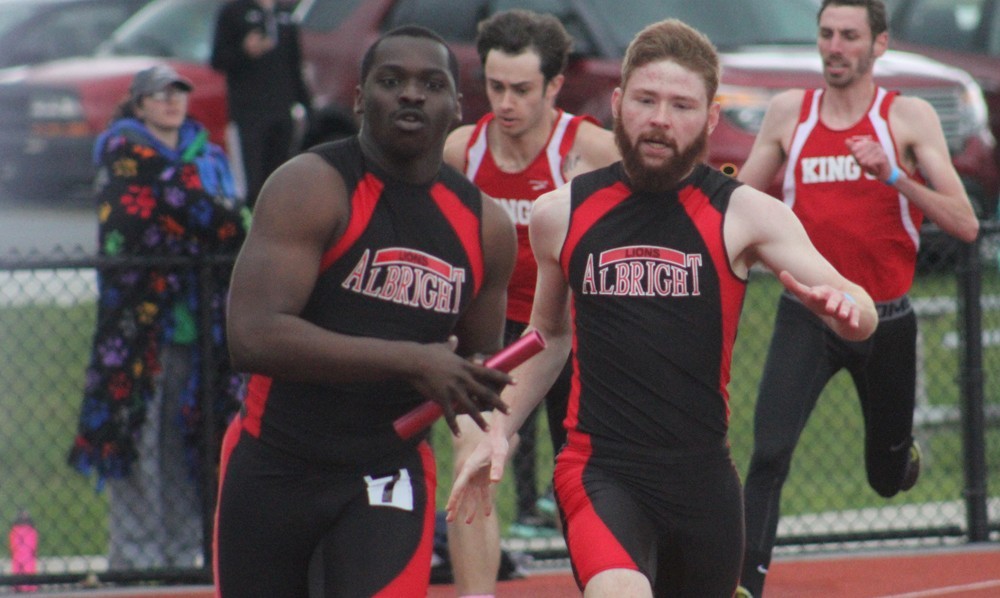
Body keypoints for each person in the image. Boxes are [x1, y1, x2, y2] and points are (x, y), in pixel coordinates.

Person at [446, 18, 880, 596]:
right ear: (618, 104)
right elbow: (549, 335)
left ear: (711, 118)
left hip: (703, 485)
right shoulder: (562, 212)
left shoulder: (745, 213)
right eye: (646, 100)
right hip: (600, 471)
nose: (660, 119)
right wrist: (499, 428)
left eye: (681, 105)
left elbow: (861, 309)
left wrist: (845, 313)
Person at [213, 25, 518, 596]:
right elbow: (251, 335)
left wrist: (480, 397)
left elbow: (480, 356)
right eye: (391, 80)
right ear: (358, 98)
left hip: (386, 470)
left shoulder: (487, 227)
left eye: (432, 84)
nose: (411, 94)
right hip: (276, 461)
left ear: (457, 106)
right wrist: (411, 360)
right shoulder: (310, 185)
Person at [734, 2, 981, 595]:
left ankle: (899, 455)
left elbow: (966, 224)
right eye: (826, 34)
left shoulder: (907, 117)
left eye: (850, 36)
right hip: (808, 315)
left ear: (879, 45)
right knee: (769, 454)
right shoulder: (790, 113)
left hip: (885, 321)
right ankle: (742, 585)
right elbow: (737, 201)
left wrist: (894, 175)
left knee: (885, 479)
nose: (835, 47)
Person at [441, 8, 619, 594]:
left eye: (521, 89)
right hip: (496, 336)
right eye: (495, 87)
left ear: (555, 85)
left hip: (573, 334)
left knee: (590, 482)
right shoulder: (461, 152)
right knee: (472, 456)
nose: (506, 103)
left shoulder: (592, 149)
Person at [68, 64, 248, 568]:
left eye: (178, 93)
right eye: (159, 94)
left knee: (186, 441)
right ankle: (136, 555)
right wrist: (203, 214)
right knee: (136, 442)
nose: (171, 101)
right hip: (139, 329)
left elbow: (237, 222)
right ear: (139, 103)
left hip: (200, 326)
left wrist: (199, 214)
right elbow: (138, 223)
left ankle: (183, 550)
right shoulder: (121, 153)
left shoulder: (209, 155)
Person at [210, 0, 311, 208]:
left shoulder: (284, 14)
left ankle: (277, 222)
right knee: (251, 182)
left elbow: (294, 65)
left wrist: (307, 106)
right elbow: (217, 60)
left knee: (279, 177)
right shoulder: (233, 12)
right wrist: (244, 51)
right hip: (248, 114)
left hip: (281, 110)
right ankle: (249, 221)